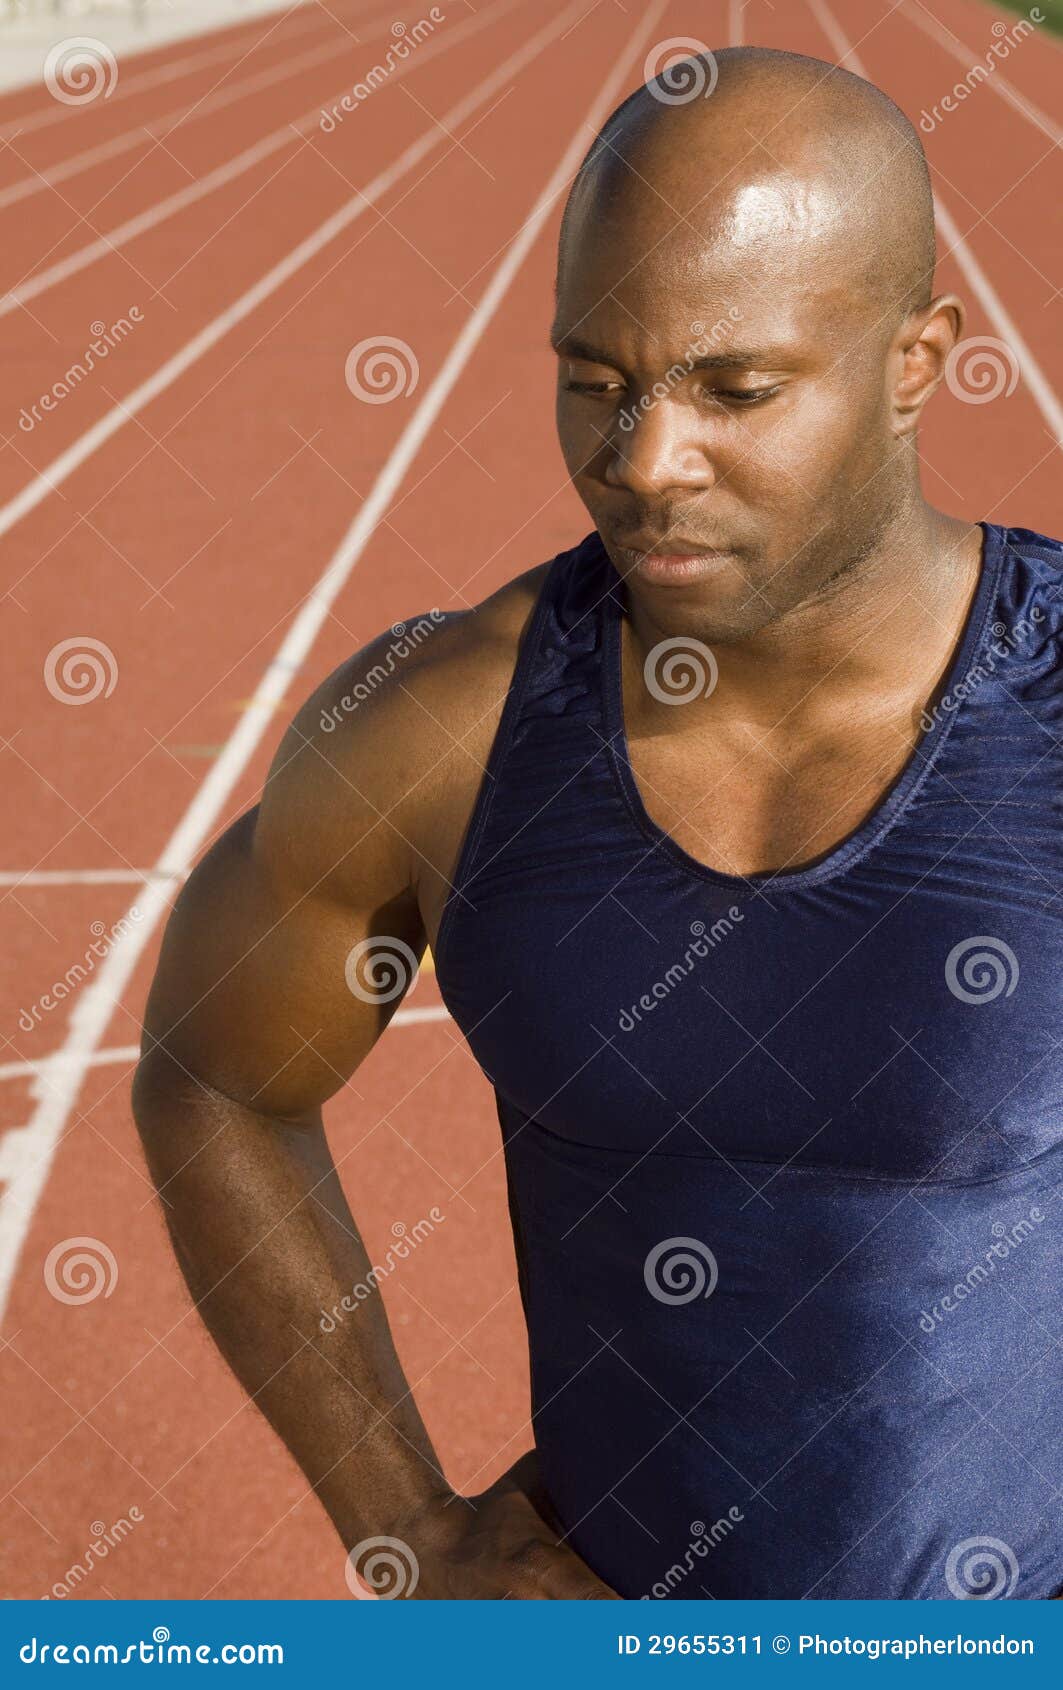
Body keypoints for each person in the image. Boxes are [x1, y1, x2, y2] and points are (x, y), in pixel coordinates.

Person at [133, 47, 1062, 1599]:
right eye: (597, 379)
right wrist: (410, 1528)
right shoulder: (438, 731)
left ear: (920, 362)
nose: (645, 464)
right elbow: (215, 1077)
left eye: (733, 388)